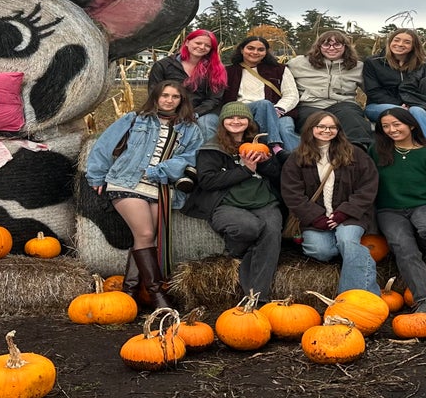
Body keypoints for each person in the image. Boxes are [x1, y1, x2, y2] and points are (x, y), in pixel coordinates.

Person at [85, 80, 204, 309]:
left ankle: (129, 294)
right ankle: (157, 294)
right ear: (156, 97)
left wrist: (165, 169)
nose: (169, 100)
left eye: (175, 97)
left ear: (182, 101)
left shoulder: (190, 129)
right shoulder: (135, 119)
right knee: (146, 232)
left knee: (146, 239)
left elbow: (192, 157)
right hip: (127, 181)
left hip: (160, 186)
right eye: (164, 95)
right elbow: (104, 146)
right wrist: (96, 176)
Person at [182, 101, 284, 303]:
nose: (236, 121)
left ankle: (257, 297)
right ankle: (236, 251)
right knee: (250, 228)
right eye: (230, 117)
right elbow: (208, 181)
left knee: (272, 232)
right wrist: (245, 170)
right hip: (226, 204)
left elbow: (277, 175)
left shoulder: (258, 145)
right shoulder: (212, 148)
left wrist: (266, 163)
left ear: (249, 121)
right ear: (222, 121)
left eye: (241, 118)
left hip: (264, 201)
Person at [370, 107, 426, 316]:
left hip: (424, 205)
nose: (391, 130)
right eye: (386, 126)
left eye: (396, 124)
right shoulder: (376, 151)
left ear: (411, 125)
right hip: (390, 210)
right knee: (403, 247)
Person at [281, 110, 381, 295]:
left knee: (347, 241)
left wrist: (344, 213)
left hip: (349, 216)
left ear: (338, 130)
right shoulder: (296, 158)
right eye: (321, 126)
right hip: (315, 220)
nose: (326, 130)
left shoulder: (355, 154)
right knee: (321, 251)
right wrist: (316, 217)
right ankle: (352, 255)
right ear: (311, 129)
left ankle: (353, 298)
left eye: (332, 127)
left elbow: (368, 186)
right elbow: (292, 193)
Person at [286, 30, 372, 148]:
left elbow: (373, 90)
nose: (331, 48)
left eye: (337, 44)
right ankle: (312, 155)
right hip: (310, 104)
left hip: (343, 104)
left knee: (352, 118)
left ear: (345, 46)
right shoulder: (298, 63)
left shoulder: (357, 67)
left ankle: (358, 151)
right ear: (319, 46)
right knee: (316, 121)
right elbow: (279, 77)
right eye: (326, 44)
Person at [362, 28, 426, 147]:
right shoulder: (373, 62)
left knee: (418, 110)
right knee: (400, 112)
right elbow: (373, 91)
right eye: (397, 40)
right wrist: (400, 104)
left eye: (407, 42)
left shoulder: (422, 65)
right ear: (390, 42)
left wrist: (411, 104)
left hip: (413, 106)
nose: (400, 44)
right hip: (377, 106)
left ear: (414, 46)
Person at [223, 35, 300, 152]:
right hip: (242, 111)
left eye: (260, 49)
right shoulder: (229, 71)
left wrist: (279, 109)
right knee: (264, 104)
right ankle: (273, 147)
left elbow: (291, 95)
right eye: (250, 48)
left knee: (286, 129)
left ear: (266, 52)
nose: (255, 52)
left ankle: (298, 162)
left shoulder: (279, 70)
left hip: (276, 110)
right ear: (242, 49)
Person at [148, 28, 227, 138]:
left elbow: (214, 99)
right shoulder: (163, 66)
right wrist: (171, 113)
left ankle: (206, 154)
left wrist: (193, 114)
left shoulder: (215, 69)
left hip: (203, 112)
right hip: (170, 109)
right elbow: (154, 93)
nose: (202, 47)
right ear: (187, 42)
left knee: (205, 125)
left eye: (207, 46)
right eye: (198, 43)